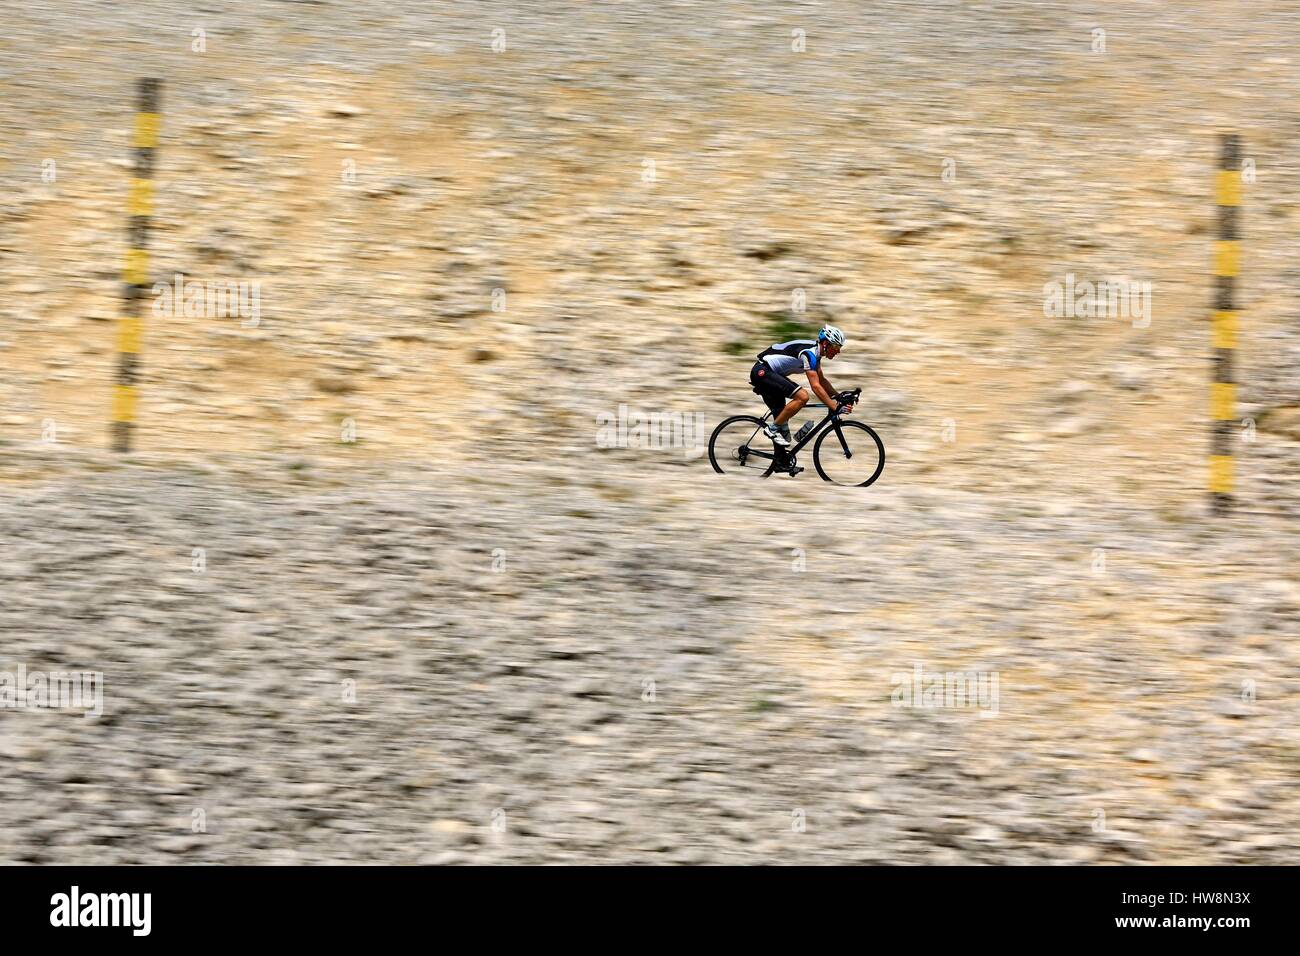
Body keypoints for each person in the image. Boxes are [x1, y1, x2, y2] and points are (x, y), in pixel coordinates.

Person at [750, 325, 852, 446]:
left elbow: (822, 381)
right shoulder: (809, 354)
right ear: (825, 343)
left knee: (785, 435)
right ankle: (771, 429)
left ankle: (780, 463)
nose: (838, 351)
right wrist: (834, 407)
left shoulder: (816, 355)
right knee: (802, 396)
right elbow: (816, 386)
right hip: (762, 371)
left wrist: (838, 396)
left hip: (770, 373)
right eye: (836, 347)